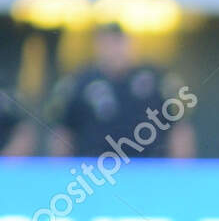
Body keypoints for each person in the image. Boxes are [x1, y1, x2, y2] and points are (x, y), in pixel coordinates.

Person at [48, 24, 196, 159]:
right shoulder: (78, 83)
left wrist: (180, 175)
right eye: (108, 43)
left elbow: (179, 130)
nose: (114, 50)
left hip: (150, 172)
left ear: (132, 44)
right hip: (94, 171)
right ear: (98, 45)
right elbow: (63, 133)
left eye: (119, 42)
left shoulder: (159, 80)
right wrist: (61, 175)